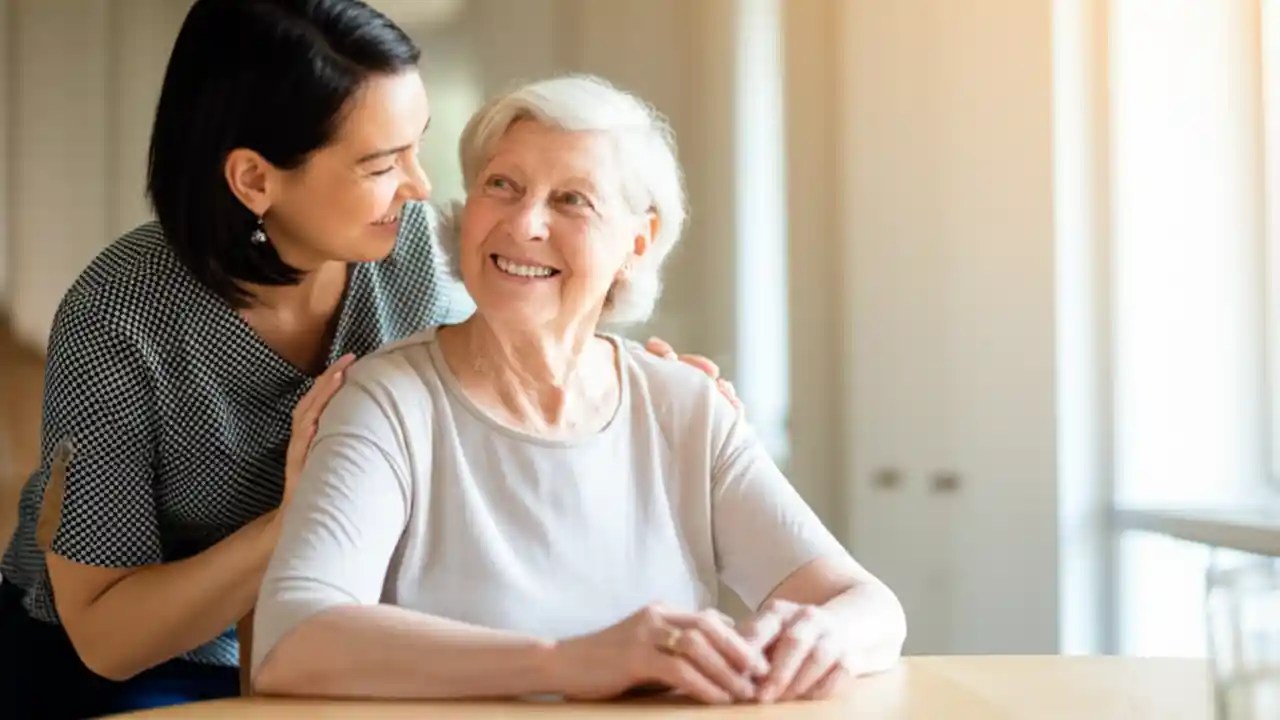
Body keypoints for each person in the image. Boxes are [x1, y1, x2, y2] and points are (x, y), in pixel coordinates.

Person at [0, 3, 718, 717]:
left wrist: (643, 399)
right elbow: (106, 635)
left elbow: (506, 378)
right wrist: (290, 522)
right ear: (255, 181)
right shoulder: (117, 317)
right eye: (380, 164)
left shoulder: (406, 255)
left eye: (416, 145)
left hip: (326, 647)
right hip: (127, 678)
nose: (420, 186)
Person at [251, 74, 907, 706]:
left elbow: (868, 605)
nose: (524, 223)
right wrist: (566, 663)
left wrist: (823, 635)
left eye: (572, 200)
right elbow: (293, 639)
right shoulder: (388, 400)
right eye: (502, 185)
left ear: (637, 241)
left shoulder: (684, 405)